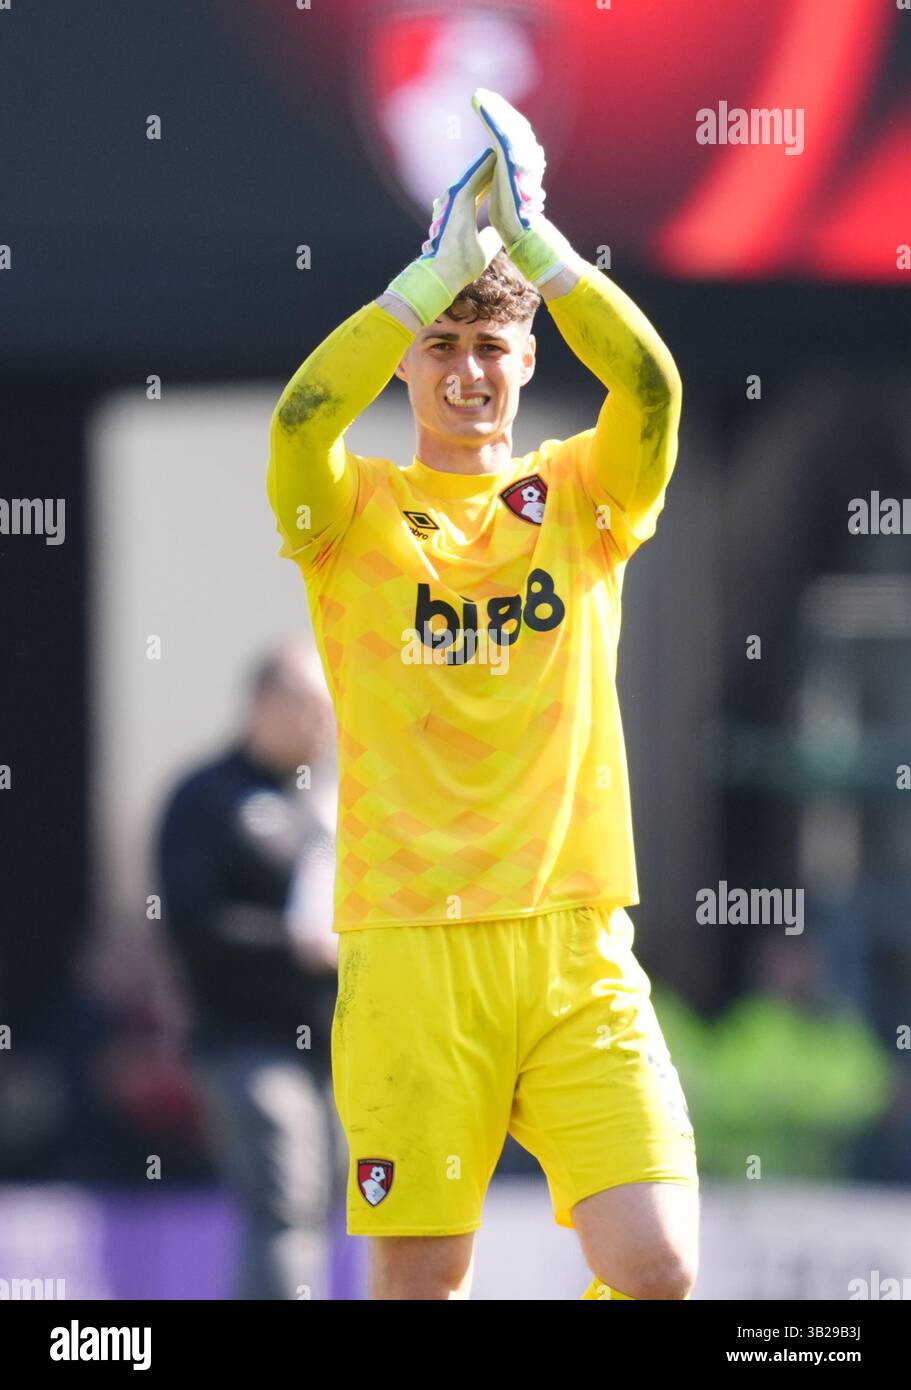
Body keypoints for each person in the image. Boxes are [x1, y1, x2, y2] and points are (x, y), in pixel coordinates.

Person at [266, 90, 698, 1300]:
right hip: (409, 950)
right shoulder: (348, 517)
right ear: (407, 359)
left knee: (657, 1266)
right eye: (442, 346)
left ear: (526, 360)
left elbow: (653, 391)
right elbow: (300, 422)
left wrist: (545, 250)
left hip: (574, 941)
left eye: (490, 348)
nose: (466, 373)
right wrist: (424, 279)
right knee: (418, 1288)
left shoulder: (580, 496)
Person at [156, 639, 343, 1299]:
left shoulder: (326, 801)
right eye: (311, 708)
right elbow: (190, 927)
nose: (324, 726)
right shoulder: (204, 797)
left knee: (325, 1205)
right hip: (245, 1043)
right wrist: (295, 945)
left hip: (333, 1044)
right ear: (264, 702)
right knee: (283, 1203)